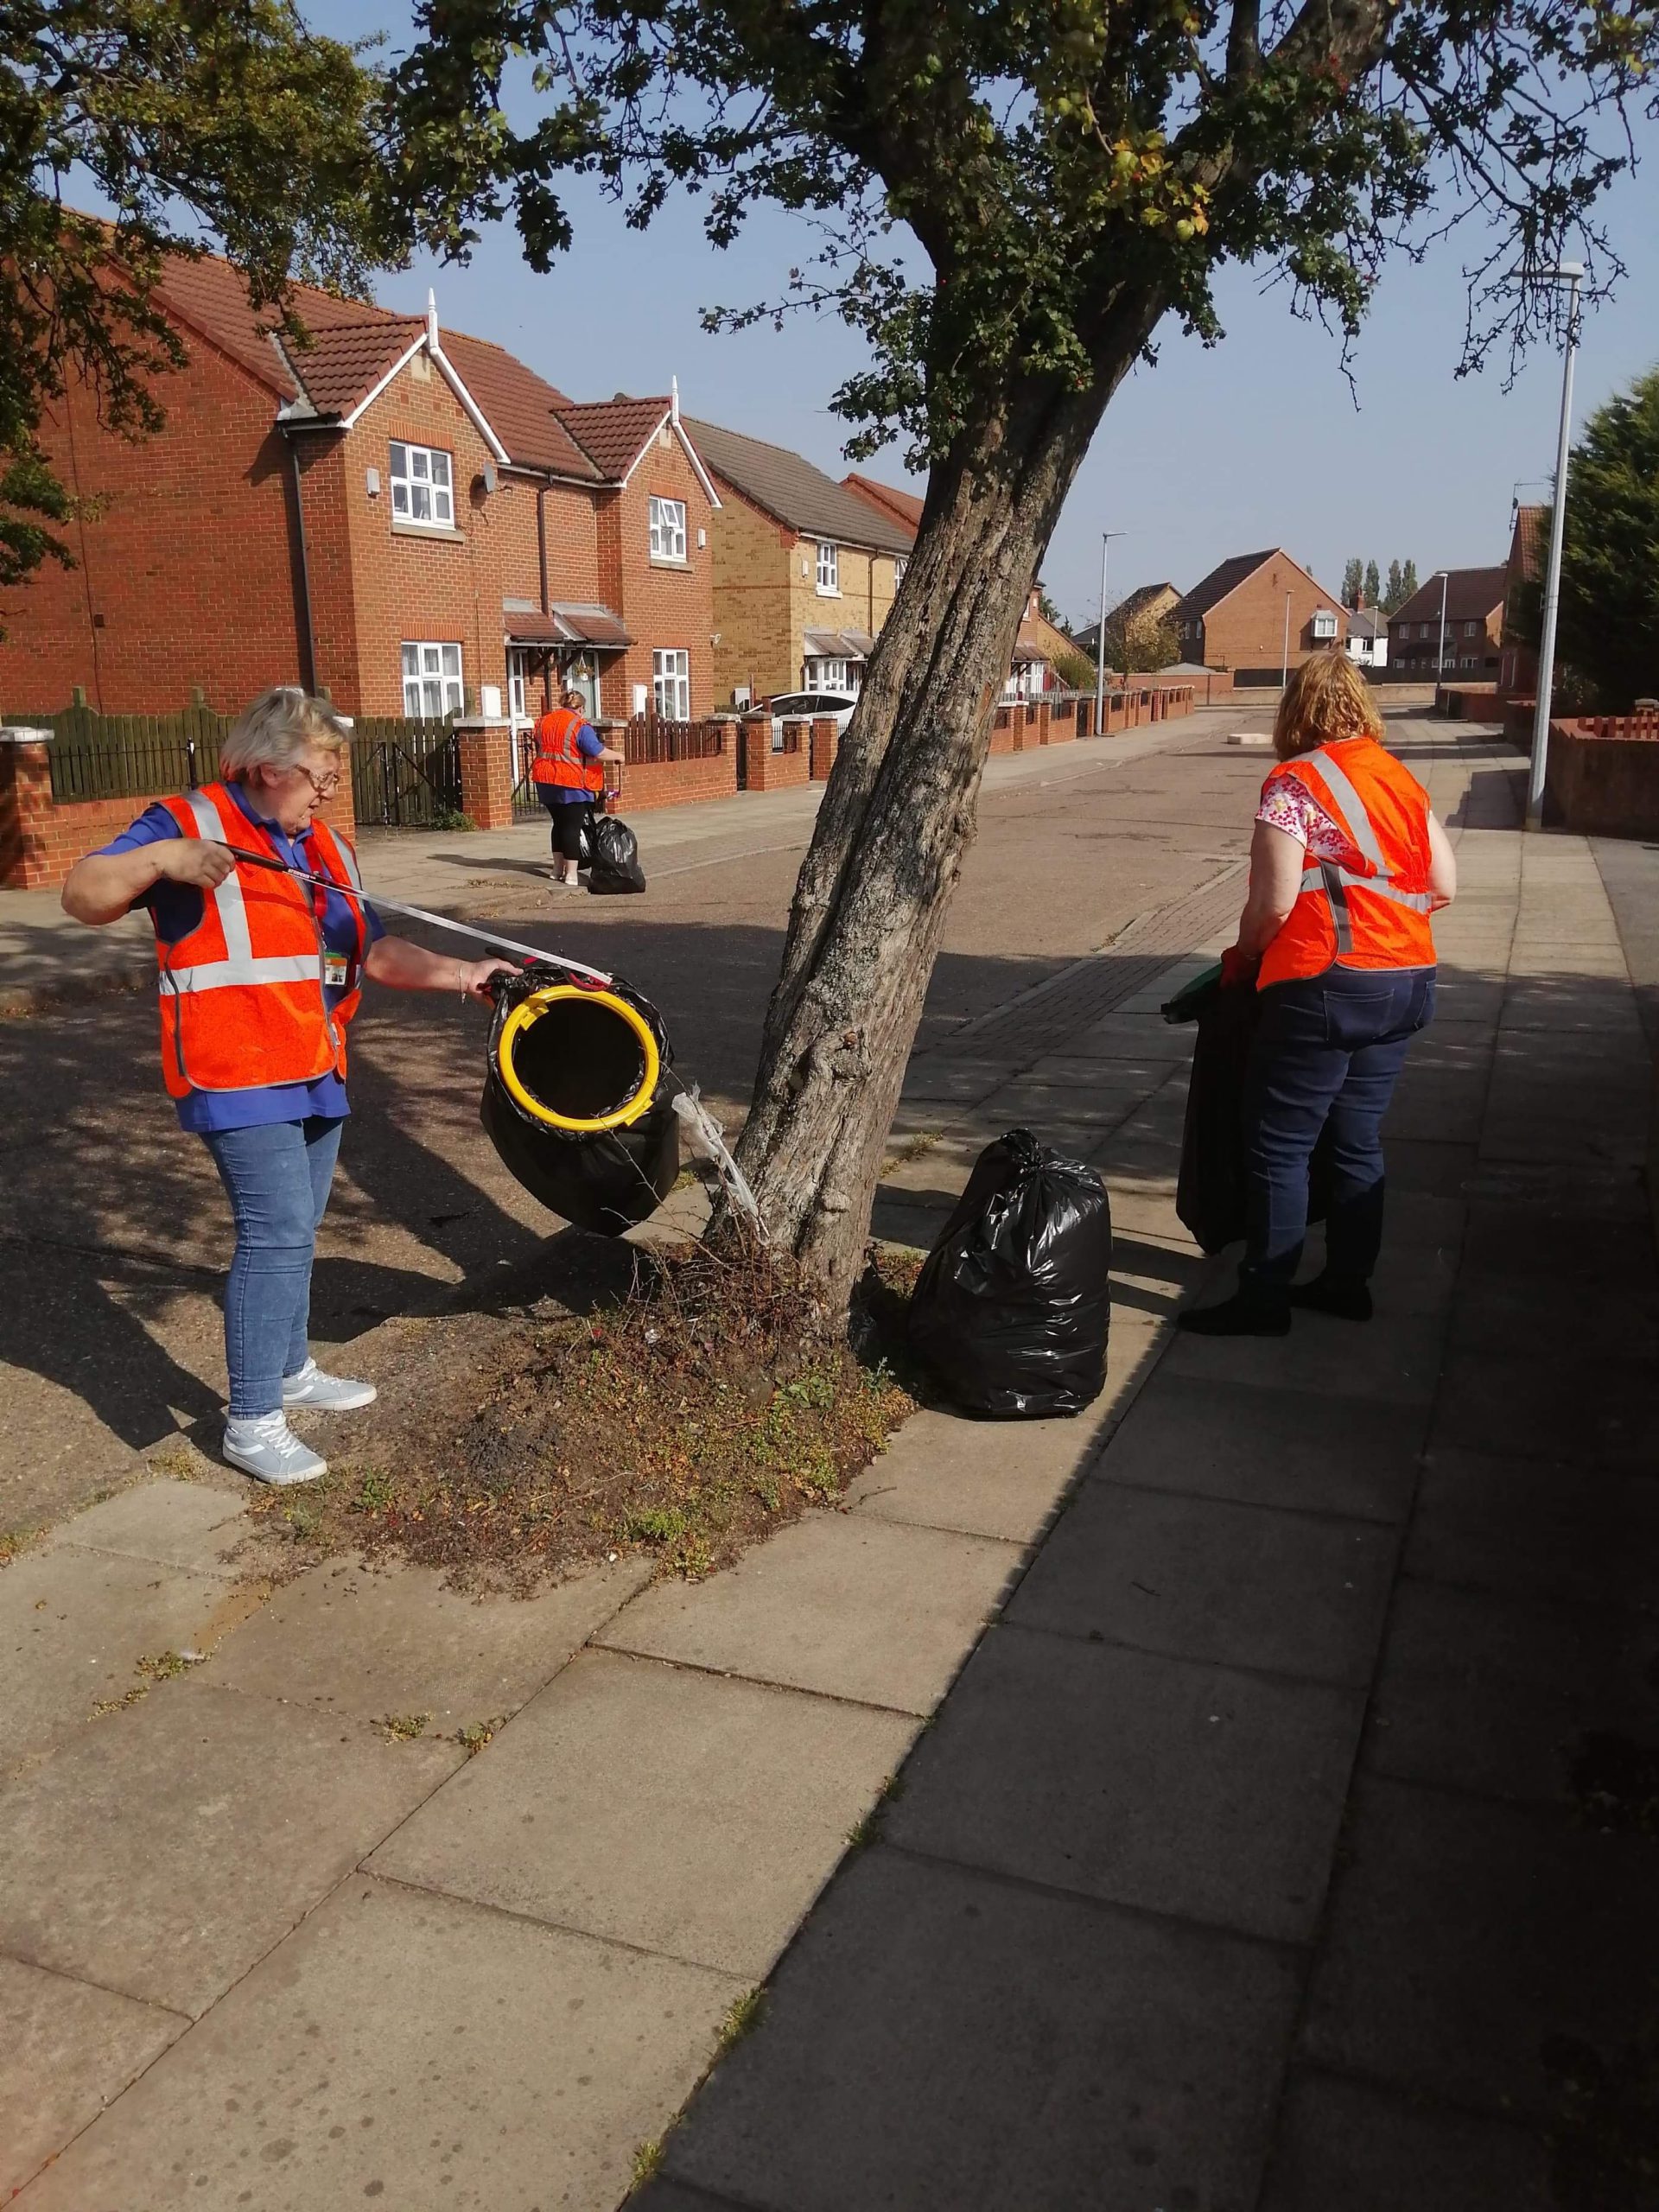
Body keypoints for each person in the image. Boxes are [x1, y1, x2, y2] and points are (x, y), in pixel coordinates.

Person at [60, 688, 517, 1485]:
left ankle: (291, 1369)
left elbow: (371, 950)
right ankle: (251, 1420)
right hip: (235, 1072)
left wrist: (462, 974)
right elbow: (83, 894)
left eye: (335, 775)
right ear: (268, 767)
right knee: (273, 1231)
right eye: (321, 774)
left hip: (315, 1064)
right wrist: (163, 861)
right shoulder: (186, 821)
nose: (330, 789)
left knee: (298, 1227)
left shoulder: (327, 848)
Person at [1179, 649, 1458, 1337]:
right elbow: (1444, 887)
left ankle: (1264, 1298)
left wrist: (1243, 959)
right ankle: (1346, 1283)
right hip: (1409, 982)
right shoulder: (1399, 779)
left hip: (1328, 986)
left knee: (1279, 1143)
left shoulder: (1294, 784)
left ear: (1294, 713)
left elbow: (1272, 905)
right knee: (1356, 1139)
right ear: (1362, 708)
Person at [531, 686, 624, 887]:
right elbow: (597, 752)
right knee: (572, 827)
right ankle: (571, 874)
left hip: (545, 780)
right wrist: (618, 756)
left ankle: (556, 871)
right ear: (580, 708)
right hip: (571, 782)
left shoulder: (544, 722)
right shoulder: (579, 725)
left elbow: (539, 742)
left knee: (558, 824)